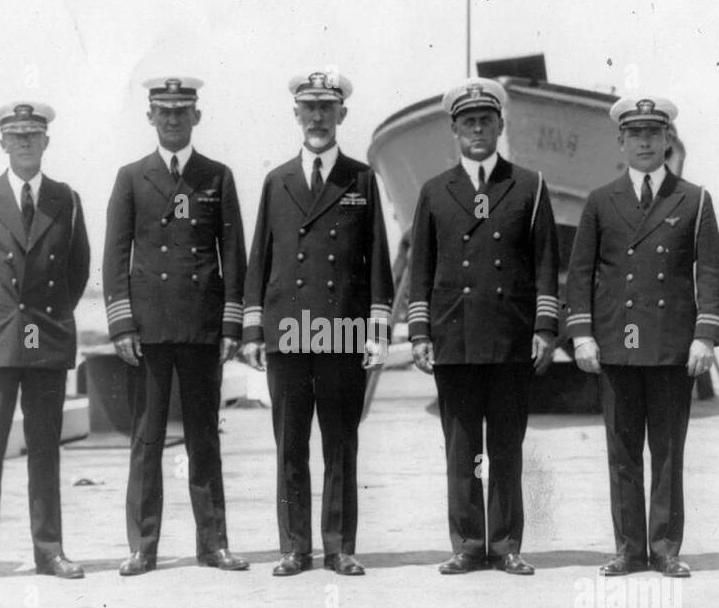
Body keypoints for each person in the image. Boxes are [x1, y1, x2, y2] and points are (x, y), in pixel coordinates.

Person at [241, 69, 393, 577]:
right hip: (288, 328)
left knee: (340, 442)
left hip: (342, 329)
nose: (318, 118)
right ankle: (294, 547)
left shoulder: (362, 179)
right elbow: (261, 257)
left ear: (342, 115)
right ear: (296, 115)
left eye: (327, 109)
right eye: (309, 109)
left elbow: (377, 260)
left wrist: (377, 331)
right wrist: (252, 330)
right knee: (289, 443)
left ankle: (339, 547)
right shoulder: (277, 180)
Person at [566, 96, 719, 578]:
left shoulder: (694, 199)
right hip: (616, 346)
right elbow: (581, 274)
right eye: (635, 134)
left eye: (653, 134)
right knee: (622, 453)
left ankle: (665, 547)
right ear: (620, 141)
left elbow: (711, 272)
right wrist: (581, 336)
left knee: (669, 453)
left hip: (672, 349)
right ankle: (628, 549)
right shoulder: (600, 200)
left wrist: (705, 335)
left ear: (666, 141)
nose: (644, 142)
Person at [408, 78, 559, 576]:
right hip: (455, 337)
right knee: (461, 448)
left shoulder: (530, 186)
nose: (477, 129)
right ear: (454, 129)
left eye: (486, 120)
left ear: (500, 125)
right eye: (468, 122)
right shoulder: (434, 191)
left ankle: (507, 544)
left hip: (510, 337)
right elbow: (422, 270)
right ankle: (469, 543)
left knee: (507, 448)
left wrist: (544, 328)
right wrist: (420, 333)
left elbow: (544, 265)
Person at [103, 76, 249, 576]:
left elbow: (233, 254)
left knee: (204, 438)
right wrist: (121, 325)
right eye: (163, 112)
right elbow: (115, 255)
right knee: (146, 439)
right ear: (150, 118)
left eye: (180, 112)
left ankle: (214, 544)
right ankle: (143, 546)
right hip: (147, 333)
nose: (172, 120)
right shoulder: (131, 177)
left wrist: (232, 325)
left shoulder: (217, 176)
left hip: (202, 329)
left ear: (196, 118)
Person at [0, 102, 91, 583]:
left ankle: (49, 550)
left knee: (45, 446)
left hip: (46, 338)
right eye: (16, 135)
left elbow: (77, 270)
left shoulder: (65, 199)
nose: (25, 143)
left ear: (46, 142)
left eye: (33, 135)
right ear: (2, 143)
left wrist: (42, 319)